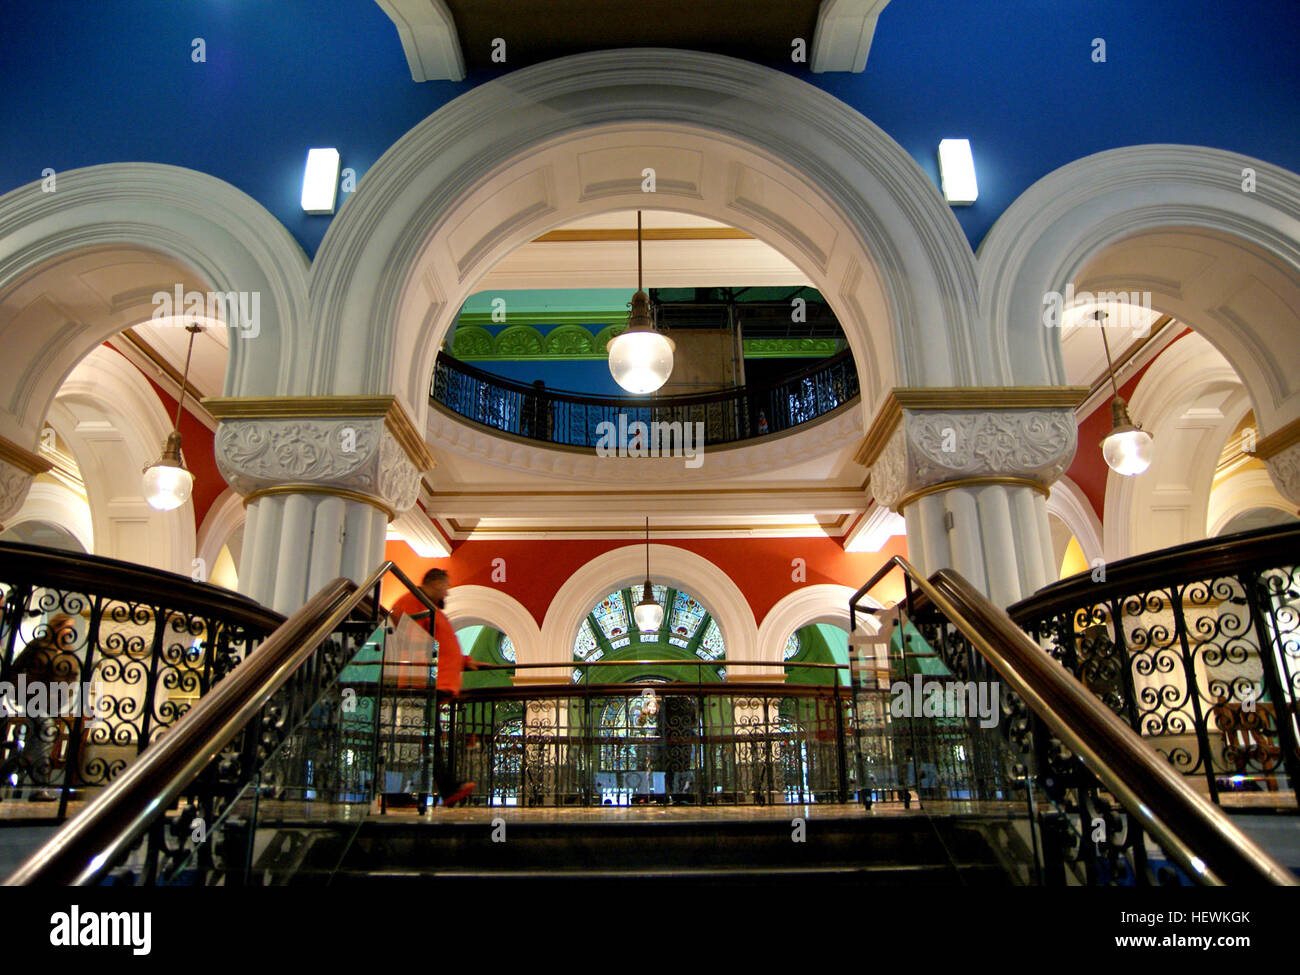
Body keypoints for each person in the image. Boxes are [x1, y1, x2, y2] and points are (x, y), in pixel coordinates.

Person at [391, 569, 480, 808]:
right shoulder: (412, 603)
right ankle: (445, 789)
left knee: (423, 738)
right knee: (425, 738)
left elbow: (439, 644)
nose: (447, 591)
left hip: (432, 683)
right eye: (445, 586)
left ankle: (399, 794)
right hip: (422, 682)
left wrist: (463, 661)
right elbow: (407, 636)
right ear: (436, 583)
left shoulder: (427, 608)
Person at [0, 614, 81, 800]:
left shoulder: (68, 650)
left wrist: (65, 697)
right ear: (57, 626)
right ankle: (38, 790)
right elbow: (16, 668)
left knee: (34, 748)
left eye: (71, 627)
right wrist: (23, 687)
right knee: (46, 733)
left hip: (53, 703)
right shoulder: (39, 646)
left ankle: (13, 773)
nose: (69, 631)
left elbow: (72, 677)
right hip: (33, 700)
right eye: (66, 626)